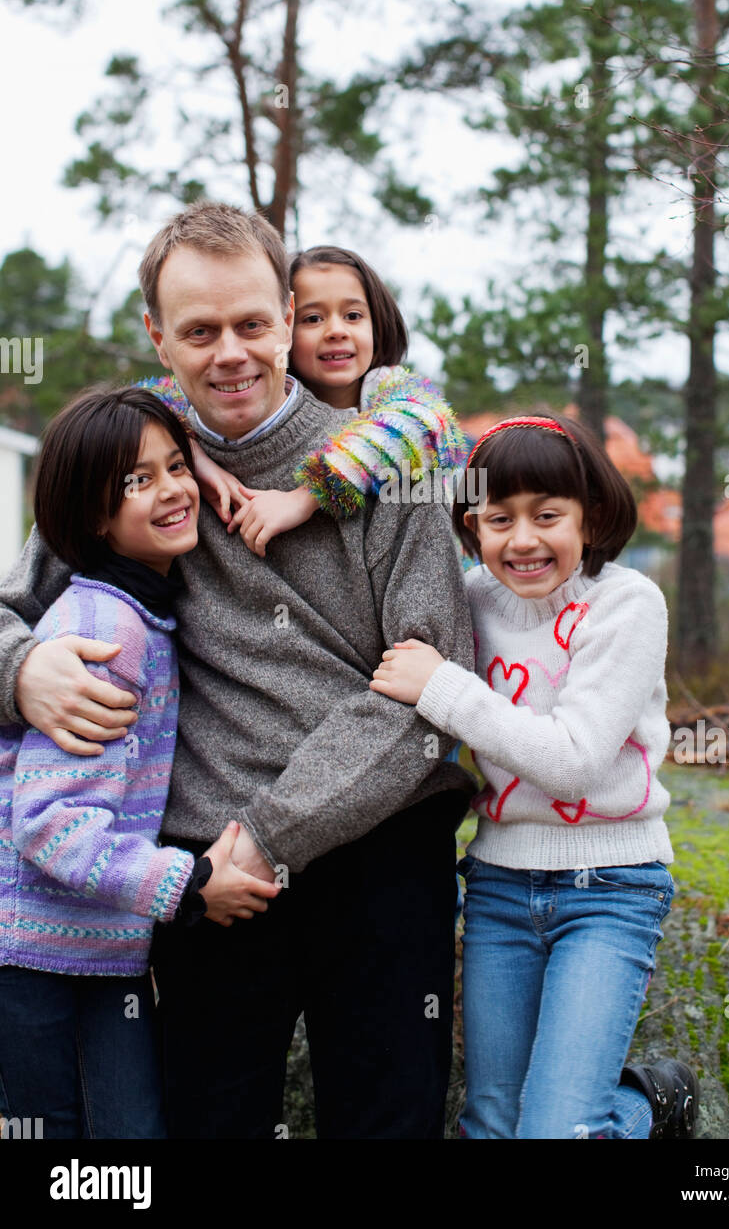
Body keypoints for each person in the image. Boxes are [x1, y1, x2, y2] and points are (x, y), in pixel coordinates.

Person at [0, 201, 475, 1140]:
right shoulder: (133, 467)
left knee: (387, 1119)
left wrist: (271, 833)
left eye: (254, 325)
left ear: (288, 313)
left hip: (377, 851)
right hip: (206, 882)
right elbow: (11, 608)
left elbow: (426, 697)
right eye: (200, 331)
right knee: (209, 1121)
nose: (231, 354)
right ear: (158, 338)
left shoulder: (384, 465)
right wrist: (20, 671)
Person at [371, 413, 700, 1139]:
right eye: (499, 519)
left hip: (612, 891)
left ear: (593, 516)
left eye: (548, 515)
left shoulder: (625, 604)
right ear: (472, 527)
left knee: (552, 1132)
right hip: (497, 886)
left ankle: (647, 1108)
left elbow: (575, 762)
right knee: (492, 1124)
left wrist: (443, 687)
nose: (523, 539)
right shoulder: (471, 599)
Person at [0, 387, 277, 1140]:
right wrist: (190, 886)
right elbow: (51, 827)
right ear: (91, 516)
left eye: (176, 467)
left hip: (96, 955)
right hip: (34, 960)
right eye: (136, 481)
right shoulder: (105, 628)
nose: (171, 490)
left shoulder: (141, 611)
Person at [139, 243, 467, 555]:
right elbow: (151, 403)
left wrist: (305, 497)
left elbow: (430, 426)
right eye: (313, 319)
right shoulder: (269, 400)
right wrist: (194, 457)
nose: (336, 330)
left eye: (353, 316)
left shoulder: (389, 387)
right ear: (286, 326)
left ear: (376, 324)